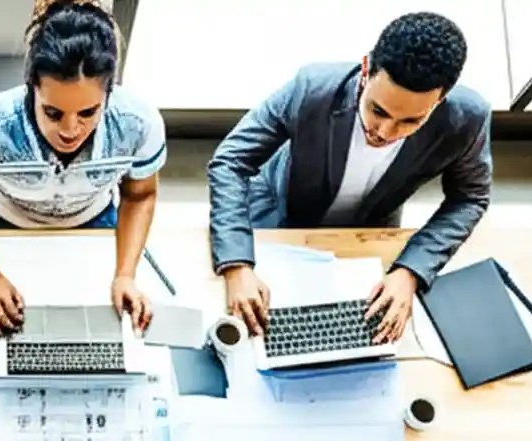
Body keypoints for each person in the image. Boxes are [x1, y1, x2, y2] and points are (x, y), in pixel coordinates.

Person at [208, 12, 490, 343]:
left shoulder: (468, 118)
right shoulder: (311, 88)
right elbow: (230, 161)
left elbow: (470, 197)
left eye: (410, 121)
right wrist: (236, 264)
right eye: (378, 110)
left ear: (440, 100)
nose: (384, 132)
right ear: (365, 71)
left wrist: (411, 270)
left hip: (369, 232)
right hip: (276, 215)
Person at [0, 0, 167, 336]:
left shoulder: (139, 123)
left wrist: (126, 275)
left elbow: (141, 195)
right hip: (2, 217)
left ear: (109, 93)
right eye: (54, 113)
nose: (70, 131)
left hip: (92, 217)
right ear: (32, 86)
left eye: (88, 113)